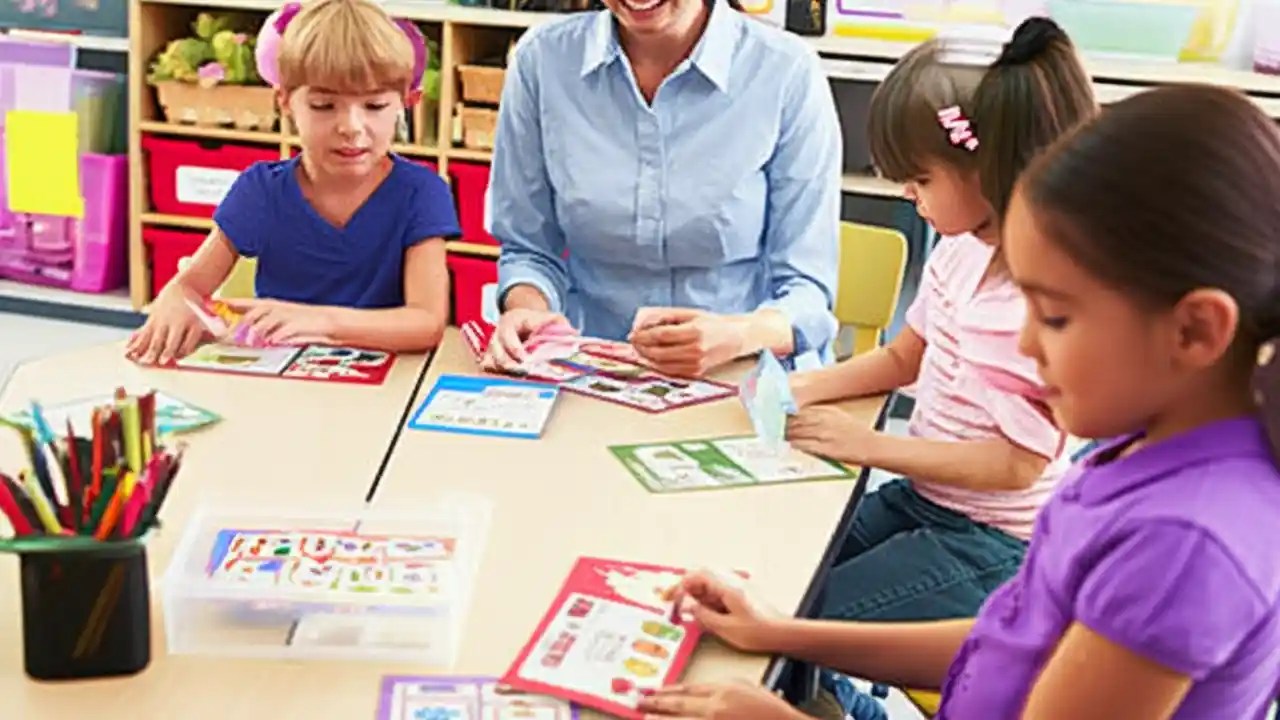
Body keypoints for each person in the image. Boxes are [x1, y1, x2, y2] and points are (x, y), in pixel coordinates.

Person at [639, 84, 1280, 720]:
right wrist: (783, 632)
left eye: (1055, 317)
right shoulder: (1141, 450)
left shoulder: (1184, 545)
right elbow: (1010, 641)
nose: (1026, 342)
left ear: (1194, 331)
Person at [784, 19, 1096, 623]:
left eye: (920, 179)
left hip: (991, 542)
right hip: (924, 499)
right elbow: (905, 357)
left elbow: (1017, 464)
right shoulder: (958, 247)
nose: (907, 194)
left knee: (803, 624)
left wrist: (872, 445)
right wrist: (797, 388)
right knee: (787, 567)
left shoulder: (1033, 304)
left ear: (991, 172)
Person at [481, 0, 841, 378]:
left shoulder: (786, 71)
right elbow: (529, 249)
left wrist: (738, 335)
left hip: (741, 372)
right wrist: (529, 312)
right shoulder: (542, 61)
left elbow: (808, 292)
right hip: (588, 367)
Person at [127, 0, 458, 364]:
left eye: (375, 106)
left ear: (406, 103)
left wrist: (319, 321)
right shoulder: (261, 190)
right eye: (323, 106)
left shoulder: (422, 192)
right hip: (281, 380)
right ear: (284, 101)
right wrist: (176, 301)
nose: (351, 127)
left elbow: (426, 322)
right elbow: (189, 287)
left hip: (387, 386)